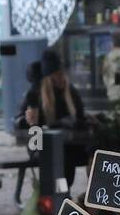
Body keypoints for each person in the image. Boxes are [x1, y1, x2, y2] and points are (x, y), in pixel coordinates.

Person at [16, 50, 87, 186]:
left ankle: (64, 193)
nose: (61, 78)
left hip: (70, 144)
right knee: (60, 157)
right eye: (57, 75)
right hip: (43, 145)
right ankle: (61, 193)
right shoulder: (35, 94)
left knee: (90, 154)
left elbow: (80, 117)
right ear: (48, 77)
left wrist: (74, 122)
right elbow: (20, 121)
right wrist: (26, 120)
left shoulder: (70, 92)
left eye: (62, 73)